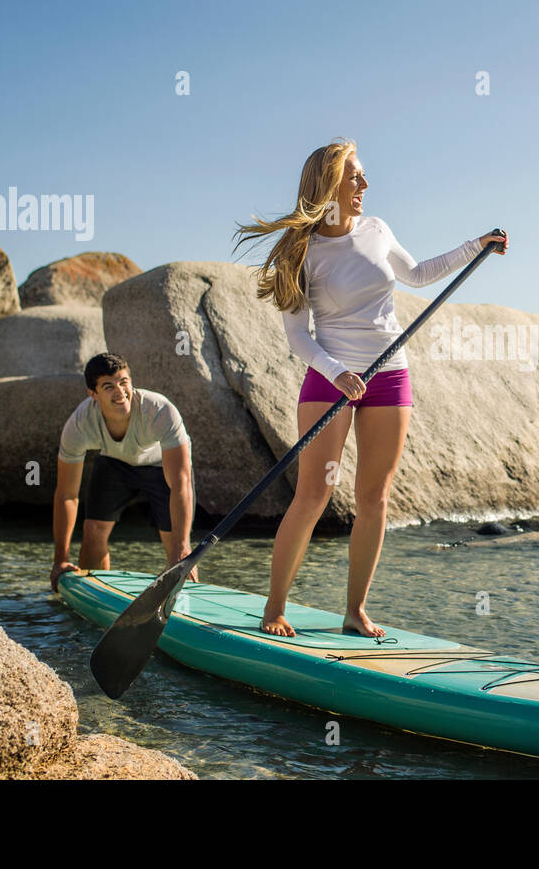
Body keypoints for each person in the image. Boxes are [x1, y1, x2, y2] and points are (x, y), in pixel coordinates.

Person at [233, 138, 508, 637]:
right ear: (328, 183)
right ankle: (275, 607)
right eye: (354, 175)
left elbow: (419, 274)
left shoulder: (377, 230)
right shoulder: (302, 250)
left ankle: (354, 610)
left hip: (389, 374)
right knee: (315, 493)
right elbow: (297, 335)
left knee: (374, 497)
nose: (364, 184)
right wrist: (336, 370)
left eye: (362, 175)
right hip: (329, 379)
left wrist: (476, 246)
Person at [50, 352, 198, 591]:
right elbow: (67, 495)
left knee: (176, 550)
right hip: (115, 463)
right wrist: (60, 561)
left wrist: (183, 549)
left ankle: (180, 600)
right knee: (92, 532)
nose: (120, 392)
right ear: (93, 394)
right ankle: (94, 592)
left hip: (161, 468)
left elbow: (180, 483)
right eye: (108, 387)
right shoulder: (79, 424)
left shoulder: (160, 410)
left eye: (124, 382)